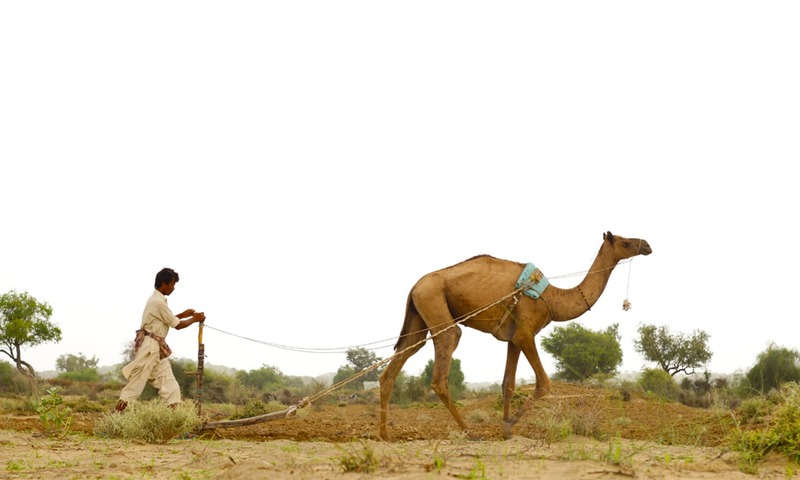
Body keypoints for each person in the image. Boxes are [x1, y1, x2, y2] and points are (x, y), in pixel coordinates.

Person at [115, 267, 205, 413]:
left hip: (156, 349)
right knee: (135, 386)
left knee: (171, 387)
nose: (173, 288)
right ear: (163, 283)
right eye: (172, 284)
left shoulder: (157, 301)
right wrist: (195, 318)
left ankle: (178, 423)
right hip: (150, 349)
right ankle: (113, 419)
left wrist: (182, 314)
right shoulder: (158, 302)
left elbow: (166, 320)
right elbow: (177, 325)